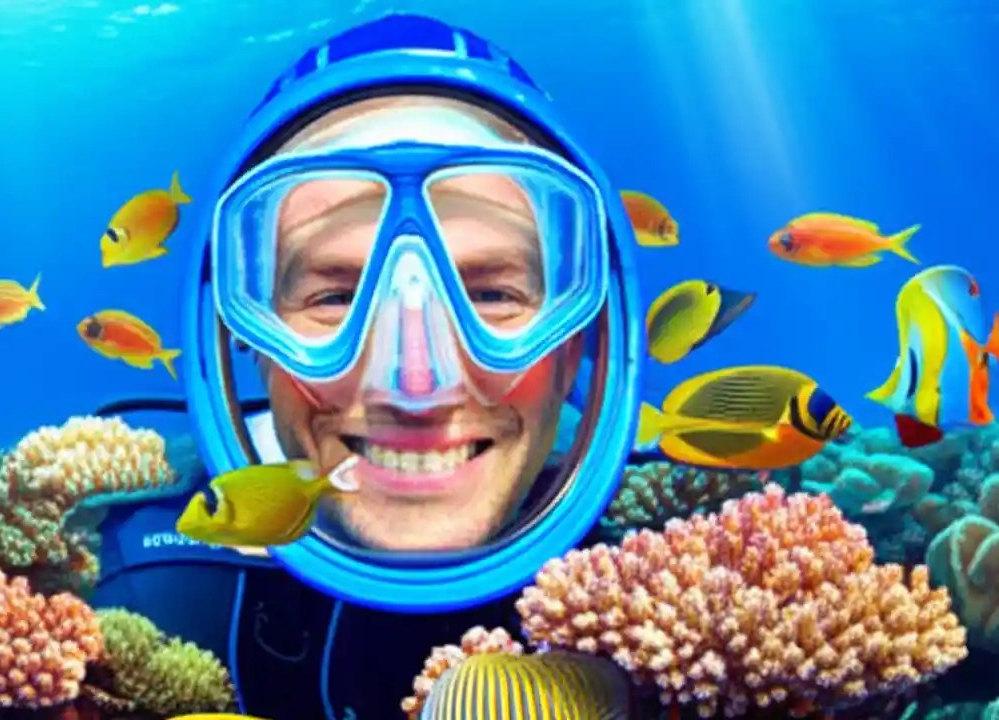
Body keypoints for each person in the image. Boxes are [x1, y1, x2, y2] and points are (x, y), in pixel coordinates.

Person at [94, 12, 645, 718]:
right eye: (335, 297)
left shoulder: (689, 590)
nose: (416, 383)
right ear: (244, 337)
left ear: (582, 340)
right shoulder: (130, 602)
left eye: (489, 294)